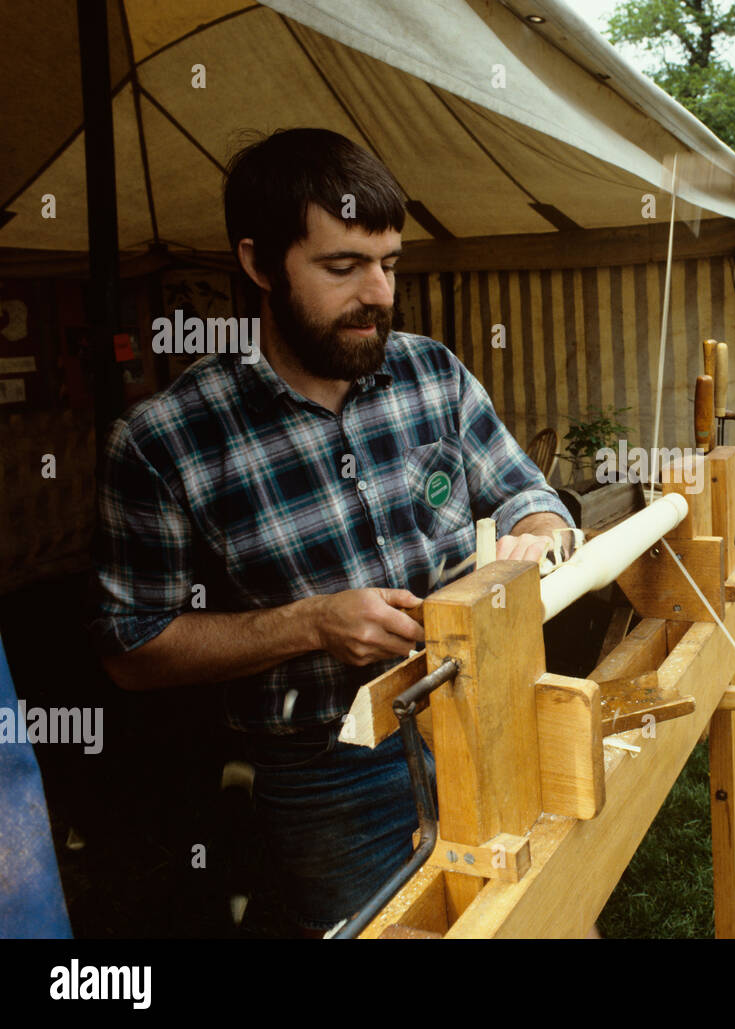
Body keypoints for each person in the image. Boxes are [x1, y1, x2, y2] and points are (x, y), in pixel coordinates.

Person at [90, 129, 574, 933]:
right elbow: (130, 648)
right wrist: (310, 622)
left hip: (486, 716)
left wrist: (538, 526)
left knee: (545, 913)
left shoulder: (433, 372)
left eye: (388, 263)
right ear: (259, 265)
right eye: (343, 267)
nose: (379, 292)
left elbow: (529, 490)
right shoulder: (163, 440)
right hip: (328, 777)